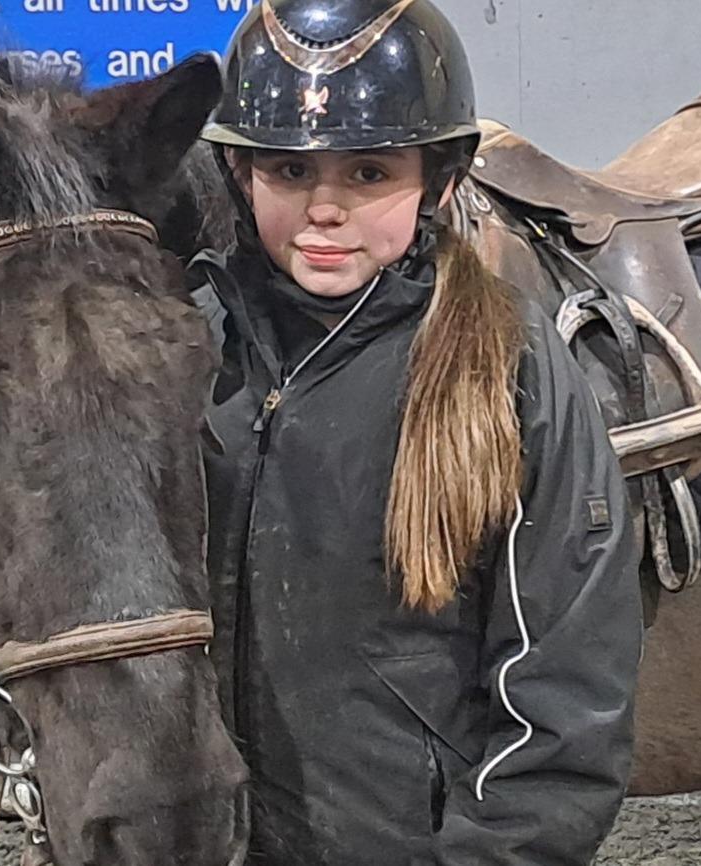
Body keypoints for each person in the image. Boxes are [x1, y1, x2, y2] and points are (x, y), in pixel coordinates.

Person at [191, 1, 644, 863]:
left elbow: (565, 685)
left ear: (437, 180)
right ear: (239, 175)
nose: (325, 208)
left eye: (369, 173)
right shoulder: (185, 347)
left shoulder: (506, 362)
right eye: (288, 169)